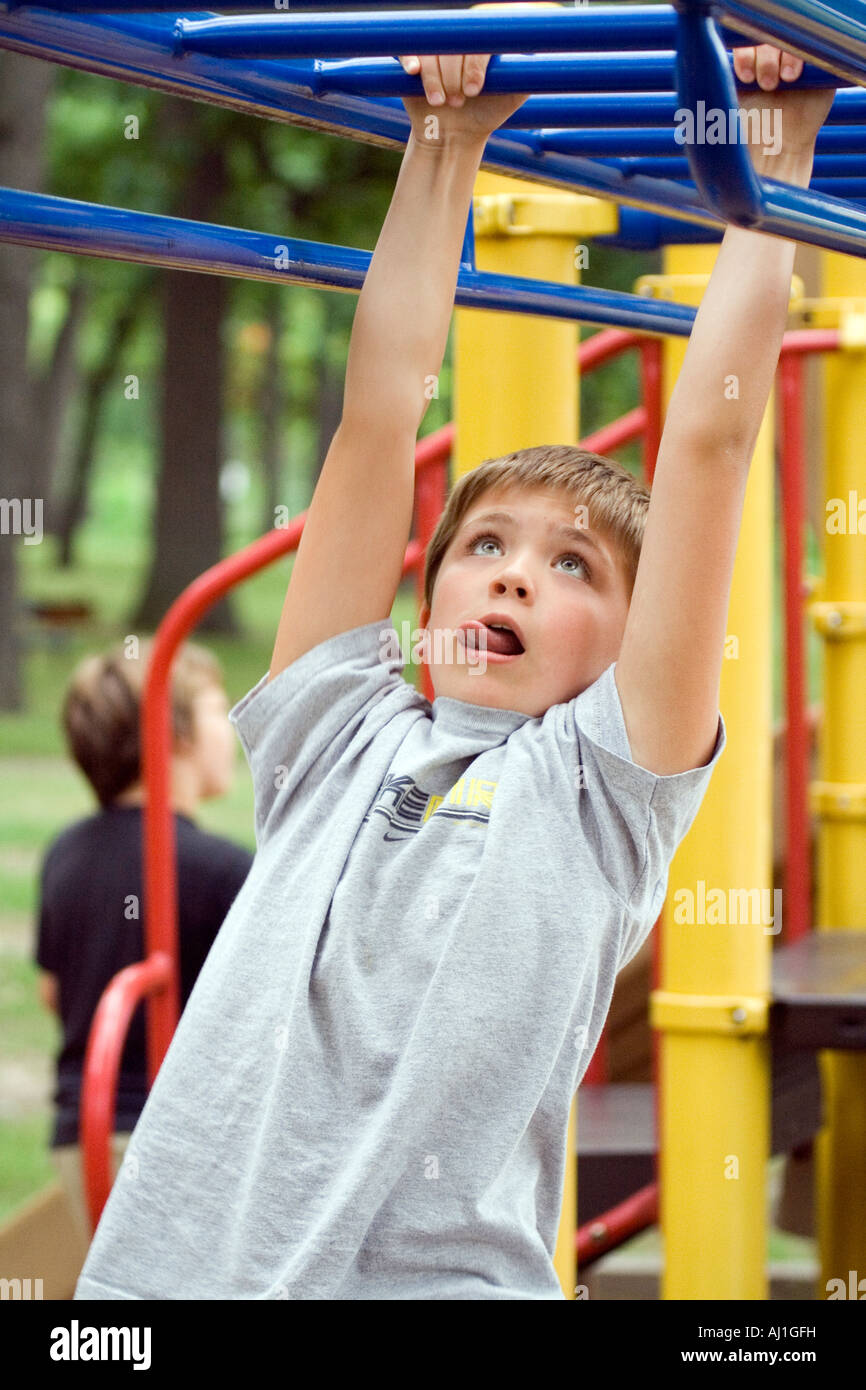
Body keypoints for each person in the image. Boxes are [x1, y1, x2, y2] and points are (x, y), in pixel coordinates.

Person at [73, 46, 834, 1300]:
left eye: (574, 566)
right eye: (483, 546)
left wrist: (773, 159)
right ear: (425, 595)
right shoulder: (334, 731)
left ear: (634, 646)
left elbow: (708, 444)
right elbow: (380, 409)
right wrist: (442, 144)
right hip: (170, 1281)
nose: (515, 576)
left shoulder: (595, 791)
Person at [35, 637, 253, 1247]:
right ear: (174, 734)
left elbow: (54, 991)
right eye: (218, 709)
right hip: (177, 1133)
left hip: (81, 1133)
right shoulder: (220, 868)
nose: (232, 726)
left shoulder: (64, 854)